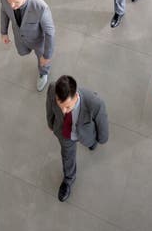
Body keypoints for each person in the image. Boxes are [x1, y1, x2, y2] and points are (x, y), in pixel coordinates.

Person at [45, 74, 109, 202]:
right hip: (65, 134)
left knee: (91, 142)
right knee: (67, 156)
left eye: (68, 107)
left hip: (86, 132)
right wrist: (51, 123)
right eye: (60, 105)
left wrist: (100, 139)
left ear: (76, 97)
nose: (63, 111)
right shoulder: (53, 89)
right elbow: (49, 107)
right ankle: (68, 179)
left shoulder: (95, 103)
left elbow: (102, 123)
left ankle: (91, 143)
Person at [0, 0, 55, 92]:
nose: (12, 5)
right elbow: (4, 11)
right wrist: (4, 32)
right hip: (20, 37)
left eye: (16, 2)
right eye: (10, 1)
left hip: (39, 40)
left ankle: (43, 73)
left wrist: (47, 56)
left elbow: (50, 33)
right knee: (23, 51)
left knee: (42, 61)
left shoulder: (41, 8)